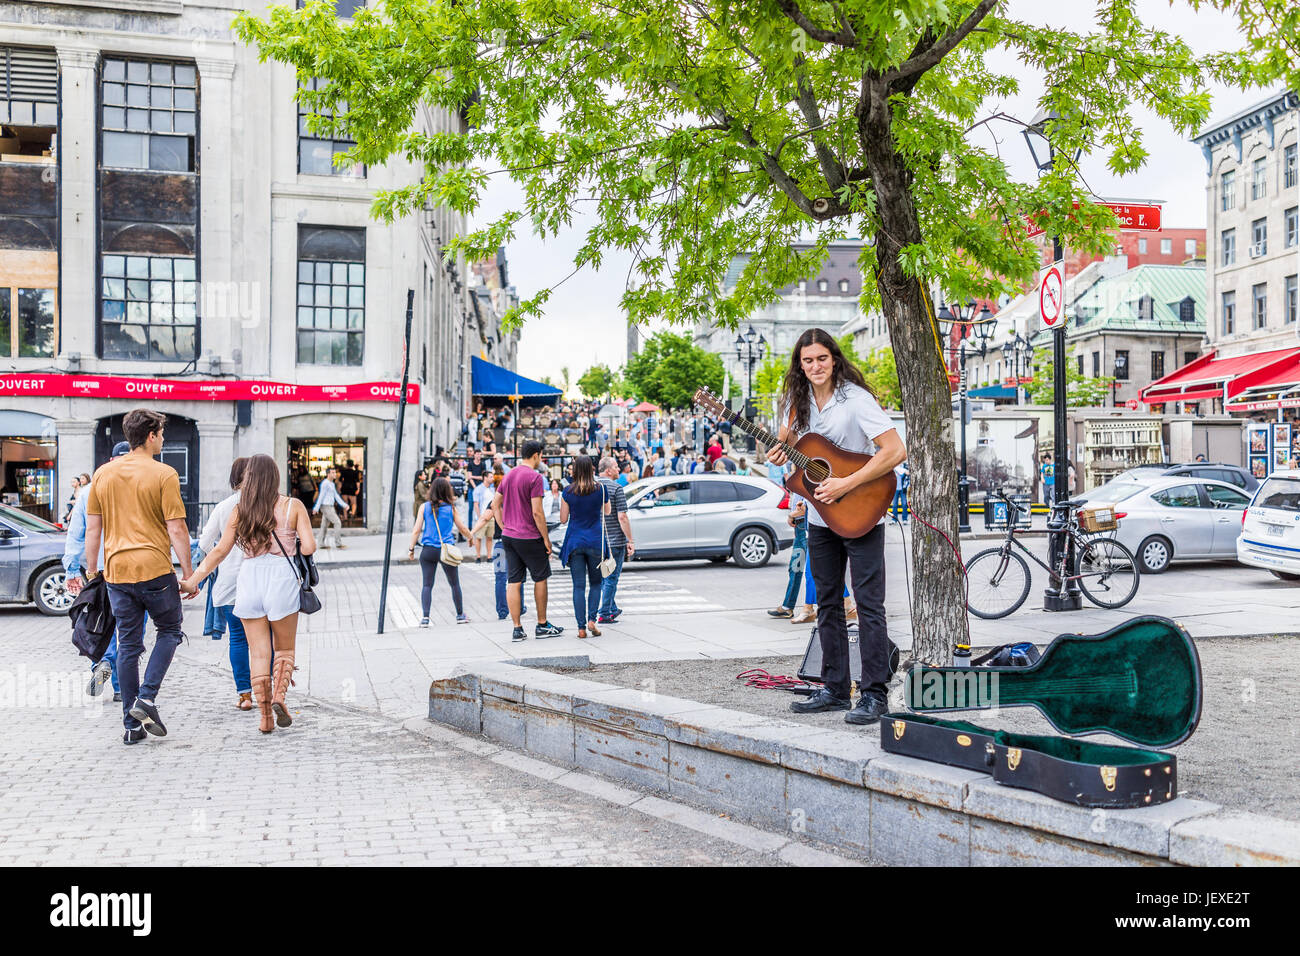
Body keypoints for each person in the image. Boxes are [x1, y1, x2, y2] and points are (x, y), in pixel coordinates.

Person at [768, 329, 906, 727]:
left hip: (860, 510)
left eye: (821, 359)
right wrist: (781, 453)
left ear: (834, 359)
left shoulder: (856, 400)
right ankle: (833, 688)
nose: (814, 367)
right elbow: (793, 454)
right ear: (800, 364)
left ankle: (874, 694)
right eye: (807, 361)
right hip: (817, 516)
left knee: (868, 605)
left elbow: (895, 450)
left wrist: (847, 482)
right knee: (827, 602)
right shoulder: (796, 403)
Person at [183, 454, 317, 735]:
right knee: (284, 649)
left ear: (250, 479)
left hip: (250, 578)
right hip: (281, 577)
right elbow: (309, 548)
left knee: (257, 652)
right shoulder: (293, 505)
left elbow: (219, 550)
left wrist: (193, 580)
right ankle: (280, 696)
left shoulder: (240, 510)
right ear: (275, 477)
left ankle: (265, 715)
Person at [85, 409, 195, 745]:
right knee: (170, 630)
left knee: (128, 645)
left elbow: (94, 529)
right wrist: (189, 574)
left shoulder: (102, 475)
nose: (162, 438)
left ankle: (131, 726)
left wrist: (93, 572)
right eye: (161, 433)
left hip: (116, 570)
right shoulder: (164, 474)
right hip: (155, 568)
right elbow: (176, 527)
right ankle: (146, 699)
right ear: (150, 436)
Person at [478, 439, 563, 642]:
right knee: (540, 578)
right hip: (529, 536)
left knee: (513, 581)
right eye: (541, 455)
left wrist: (504, 524)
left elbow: (495, 504)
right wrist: (546, 539)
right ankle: (542, 624)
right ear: (536, 455)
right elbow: (537, 512)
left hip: (509, 536)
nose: (541, 459)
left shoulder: (509, 475)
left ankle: (517, 628)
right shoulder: (535, 478)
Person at [65, 445, 130, 703]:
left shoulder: (90, 490)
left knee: (104, 623)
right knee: (129, 629)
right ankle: (123, 685)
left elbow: (77, 533)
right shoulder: (145, 484)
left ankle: (103, 663)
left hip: (102, 569)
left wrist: (73, 568)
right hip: (137, 568)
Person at [199, 457, 255, 710]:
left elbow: (204, 543)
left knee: (238, 640)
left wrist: (218, 562)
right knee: (267, 640)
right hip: (259, 583)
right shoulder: (265, 505)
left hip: (229, 582)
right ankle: (273, 690)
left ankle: (244, 695)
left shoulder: (224, 507)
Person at [407, 476, 473, 626]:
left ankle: (425, 618)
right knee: (454, 584)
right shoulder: (451, 508)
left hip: (428, 550)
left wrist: (411, 549)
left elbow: (416, 530)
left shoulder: (424, 507)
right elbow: (462, 527)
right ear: (447, 491)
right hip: (446, 551)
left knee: (427, 585)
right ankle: (460, 615)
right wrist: (470, 538)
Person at [559, 455, 611, 639]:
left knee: (578, 586)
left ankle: (581, 628)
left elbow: (563, 519)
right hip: (595, 541)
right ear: (591, 469)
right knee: (596, 583)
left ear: (575, 470)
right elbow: (608, 511)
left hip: (575, 542)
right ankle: (592, 620)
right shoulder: (600, 489)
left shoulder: (567, 491)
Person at [595, 456, 635, 624]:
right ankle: (605, 613)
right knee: (611, 577)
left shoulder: (592, 486)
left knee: (604, 576)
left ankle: (611, 607)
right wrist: (630, 540)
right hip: (614, 540)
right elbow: (622, 517)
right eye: (617, 467)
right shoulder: (616, 488)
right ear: (608, 470)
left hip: (596, 539)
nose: (619, 470)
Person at [313, 466, 349, 549]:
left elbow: (336, 496)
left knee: (324, 526)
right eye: (333, 472)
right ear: (328, 474)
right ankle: (338, 544)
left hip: (329, 506)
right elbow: (321, 496)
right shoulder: (325, 483)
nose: (335, 474)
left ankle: (321, 544)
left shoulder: (332, 484)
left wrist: (344, 505)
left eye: (335, 472)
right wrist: (316, 508)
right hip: (326, 507)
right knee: (337, 523)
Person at [472, 467, 497, 561]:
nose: (493, 479)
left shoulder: (493, 489)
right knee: (478, 537)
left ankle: (489, 556)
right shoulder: (478, 489)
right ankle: (478, 556)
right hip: (482, 517)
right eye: (491, 477)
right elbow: (476, 504)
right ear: (485, 478)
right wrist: (479, 517)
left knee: (489, 537)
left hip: (491, 517)